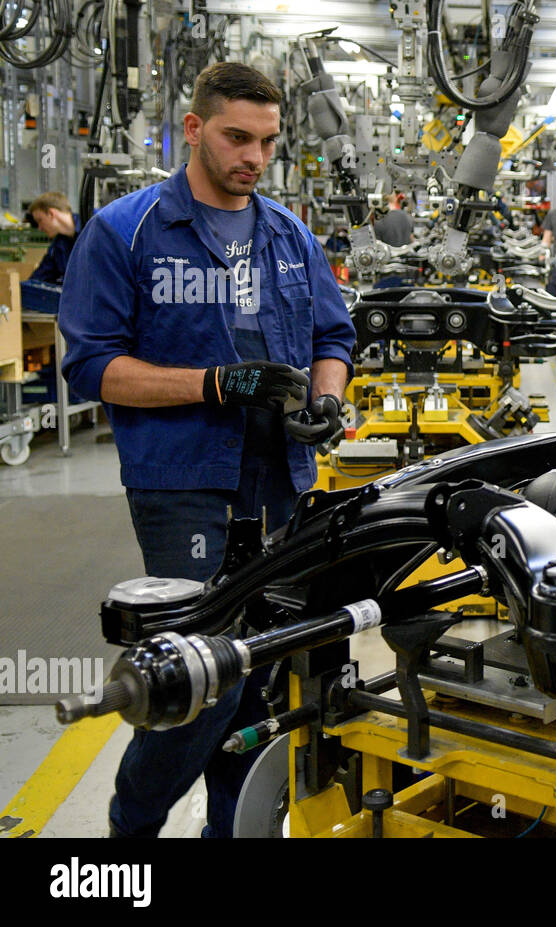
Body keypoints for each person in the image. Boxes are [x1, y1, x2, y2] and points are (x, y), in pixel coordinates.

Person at [59, 61, 356, 838]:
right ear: (194, 130)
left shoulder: (287, 233)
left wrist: (328, 396)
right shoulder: (125, 232)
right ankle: (133, 824)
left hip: (279, 481)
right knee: (203, 679)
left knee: (260, 682)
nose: (253, 157)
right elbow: (94, 364)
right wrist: (215, 385)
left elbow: (333, 335)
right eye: (236, 138)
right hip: (184, 481)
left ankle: (232, 829)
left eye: (266, 141)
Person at [26, 191, 81, 284]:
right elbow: (38, 278)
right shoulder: (57, 247)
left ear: (51, 213)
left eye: (40, 220)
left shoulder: (94, 226)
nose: (40, 228)